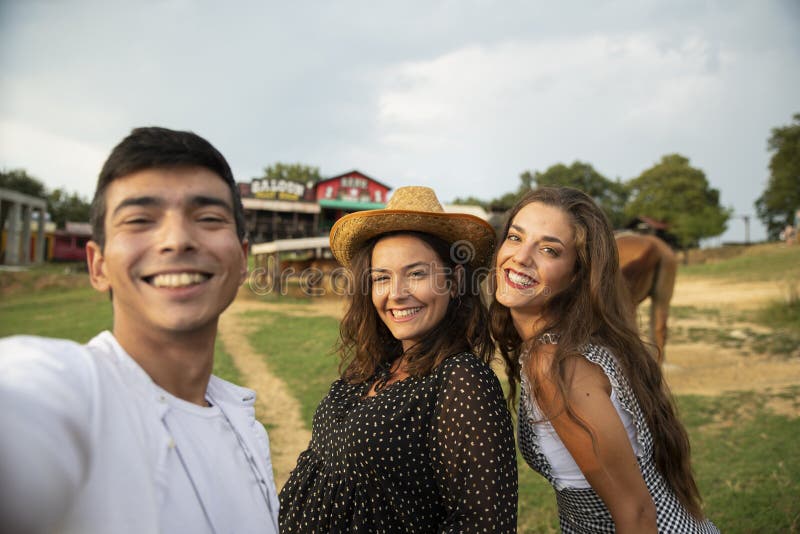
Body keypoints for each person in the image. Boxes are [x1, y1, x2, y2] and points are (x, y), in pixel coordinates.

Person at [0, 127, 280, 534]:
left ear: (242, 261)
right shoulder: (72, 391)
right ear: (98, 266)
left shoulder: (246, 426)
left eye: (208, 218)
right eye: (139, 220)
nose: (176, 240)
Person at [279, 186, 518, 533]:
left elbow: (483, 524)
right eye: (382, 277)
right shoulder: (376, 364)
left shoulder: (461, 379)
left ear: (454, 281)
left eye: (416, 274)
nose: (396, 293)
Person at [490, 187, 719, 533]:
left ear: (577, 274)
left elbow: (637, 513)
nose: (521, 257)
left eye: (549, 249)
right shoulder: (580, 340)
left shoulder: (555, 364)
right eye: (515, 237)